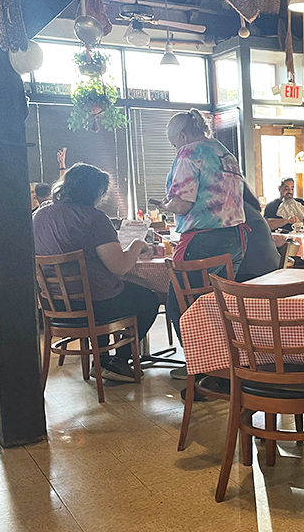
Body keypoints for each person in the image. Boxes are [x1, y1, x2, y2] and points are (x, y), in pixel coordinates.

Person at [33, 163, 160, 383]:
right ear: (96, 193)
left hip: (54, 305)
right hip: (94, 304)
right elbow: (119, 266)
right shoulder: (94, 218)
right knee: (148, 299)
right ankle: (119, 361)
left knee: (100, 288)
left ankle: (101, 360)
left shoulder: (39, 215)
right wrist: (138, 244)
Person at [153, 109, 246, 340]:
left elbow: (183, 205)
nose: (176, 149)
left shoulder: (189, 152)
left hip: (202, 240)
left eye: (174, 144)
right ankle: (222, 364)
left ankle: (199, 366)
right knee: (218, 305)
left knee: (181, 305)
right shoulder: (224, 152)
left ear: (182, 136)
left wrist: (166, 206)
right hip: (235, 237)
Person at [237, 184, 281, 282]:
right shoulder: (249, 208)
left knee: (208, 277)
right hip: (271, 268)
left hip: (256, 273)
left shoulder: (237, 210)